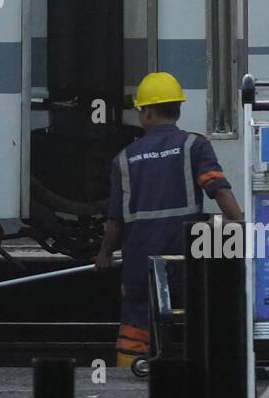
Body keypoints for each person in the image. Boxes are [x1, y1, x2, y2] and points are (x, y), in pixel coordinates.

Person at [95, 72, 243, 366]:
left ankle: (131, 377)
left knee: (136, 323)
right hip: (185, 259)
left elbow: (115, 222)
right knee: (198, 315)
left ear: (146, 112)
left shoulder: (124, 159)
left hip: (140, 261)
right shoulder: (194, 146)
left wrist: (104, 254)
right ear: (178, 109)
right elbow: (218, 190)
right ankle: (201, 369)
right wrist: (240, 226)